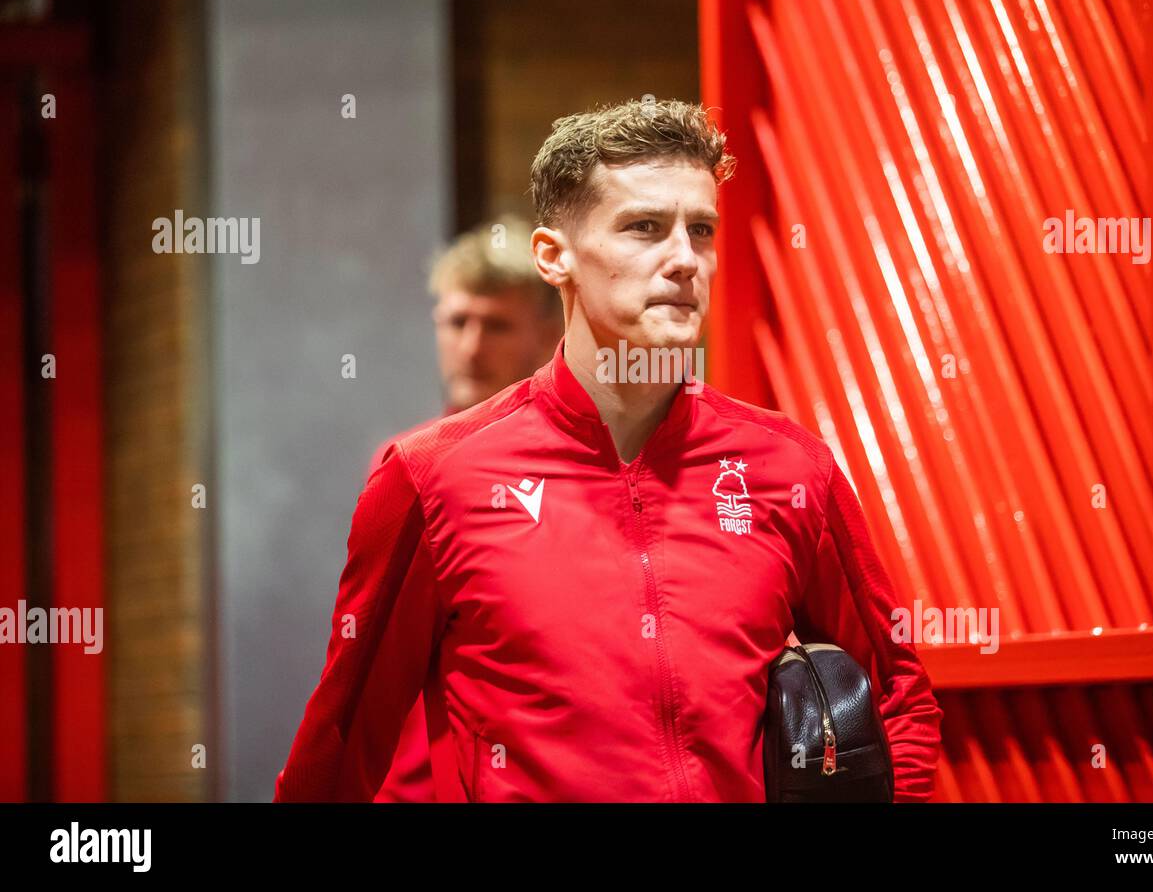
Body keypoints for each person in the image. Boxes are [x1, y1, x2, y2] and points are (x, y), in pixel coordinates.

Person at [276, 98, 943, 802]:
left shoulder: (788, 467)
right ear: (553, 256)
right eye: (644, 228)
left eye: (702, 230)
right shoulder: (435, 477)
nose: (684, 260)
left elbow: (901, 692)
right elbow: (341, 748)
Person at [368, 216, 563, 802]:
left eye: (497, 325)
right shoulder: (406, 463)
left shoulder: (582, 460)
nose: (472, 346)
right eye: (458, 322)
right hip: (414, 786)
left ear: (545, 334)